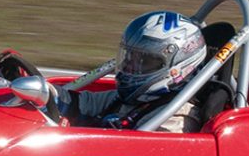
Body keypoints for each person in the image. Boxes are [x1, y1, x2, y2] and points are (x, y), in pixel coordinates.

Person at [59, 11, 232, 133]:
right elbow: (81, 103)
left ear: (177, 68)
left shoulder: (175, 120)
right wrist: (48, 94)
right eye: (130, 58)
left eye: (144, 61)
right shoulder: (135, 99)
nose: (130, 67)